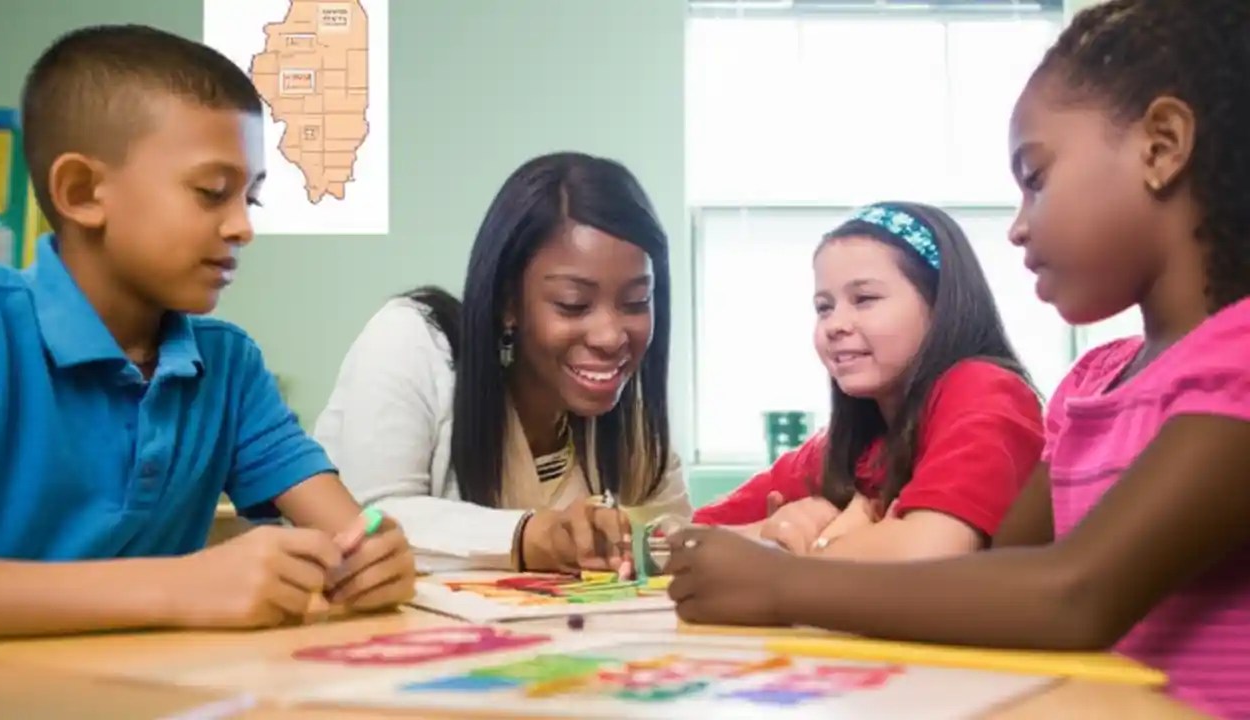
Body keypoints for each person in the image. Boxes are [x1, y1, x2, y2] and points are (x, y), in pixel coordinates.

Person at [664, 2, 1250, 717]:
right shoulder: (1089, 388)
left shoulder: (1239, 361)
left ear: (1161, 147)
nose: (1017, 225)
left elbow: (1071, 595)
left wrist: (780, 584)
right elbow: (996, 577)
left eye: (1035, 178)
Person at [0, 25, 416, 638]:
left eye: (251, 199)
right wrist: (179, 585)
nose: (241, 228)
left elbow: (346, 529)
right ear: (81, 192)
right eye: (212, 193)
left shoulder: (227, 366)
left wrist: (374, 559)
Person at [313, 152, 691, 574]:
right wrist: (532, 535)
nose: (610, 336)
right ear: (508, 301)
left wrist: (755, 541)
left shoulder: (628, 416)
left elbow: (669, 536)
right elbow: (368, 520)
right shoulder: (414, 341)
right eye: (573, 304)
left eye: (636, 302)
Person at [692, 203, 1043, 562]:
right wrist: (767, 534)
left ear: (940, 304)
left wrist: (803, 550)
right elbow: (677, 539)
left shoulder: (986, 390)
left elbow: (930, 551)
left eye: (865, 299)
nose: (834, 324)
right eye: (824, 307)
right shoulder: (856, 444)